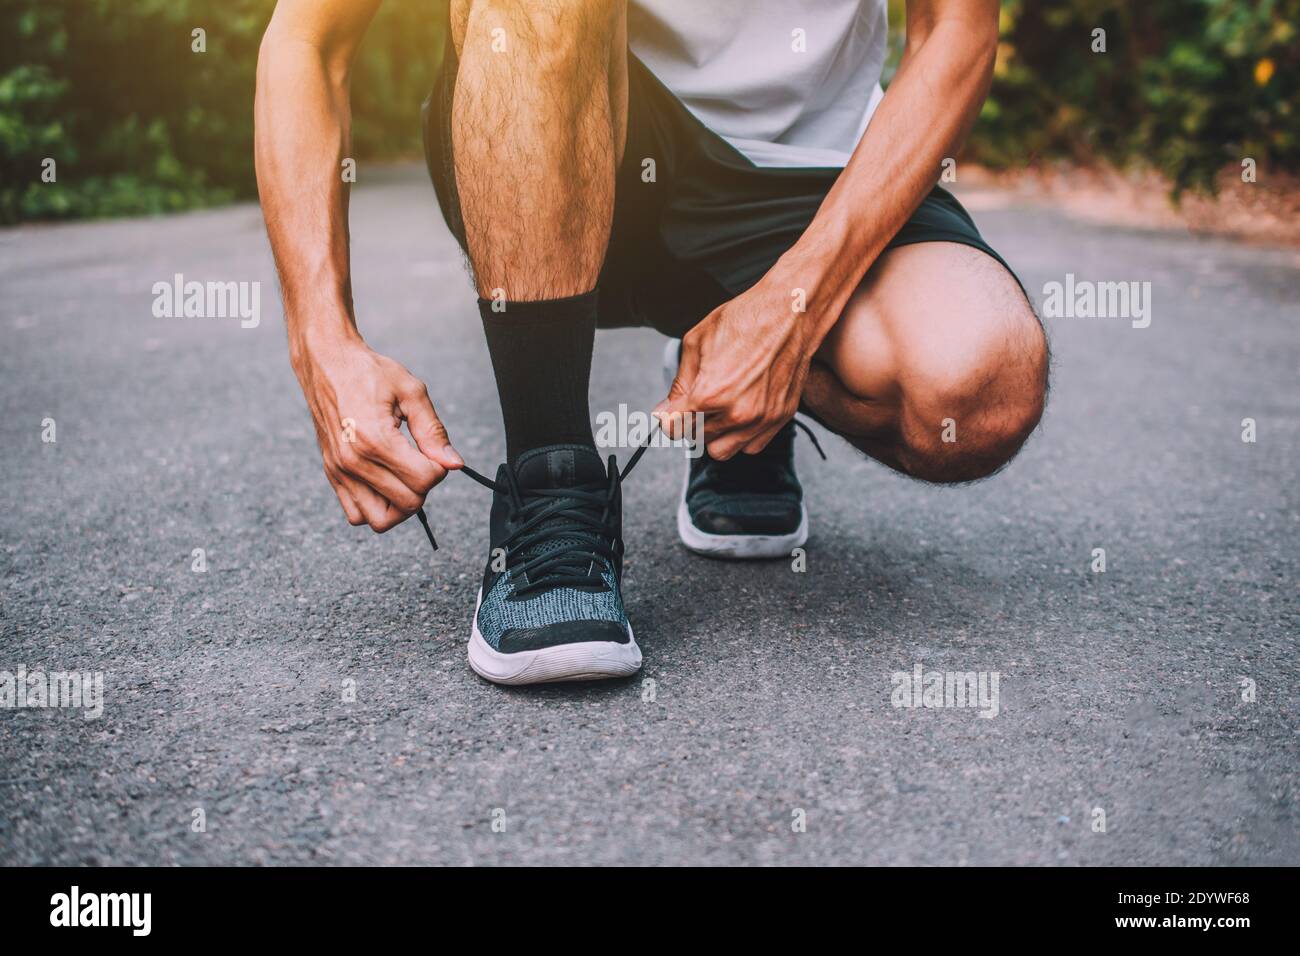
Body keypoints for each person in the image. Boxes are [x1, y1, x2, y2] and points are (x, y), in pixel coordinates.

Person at [254, 0, 1048, 685]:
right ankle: (551, 484)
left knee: (979, 388)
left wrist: (793, 308)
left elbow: (959, 30)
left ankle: (739, 398)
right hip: (574, 136)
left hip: (821, 177)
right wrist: (322, 342)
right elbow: (308, 40)